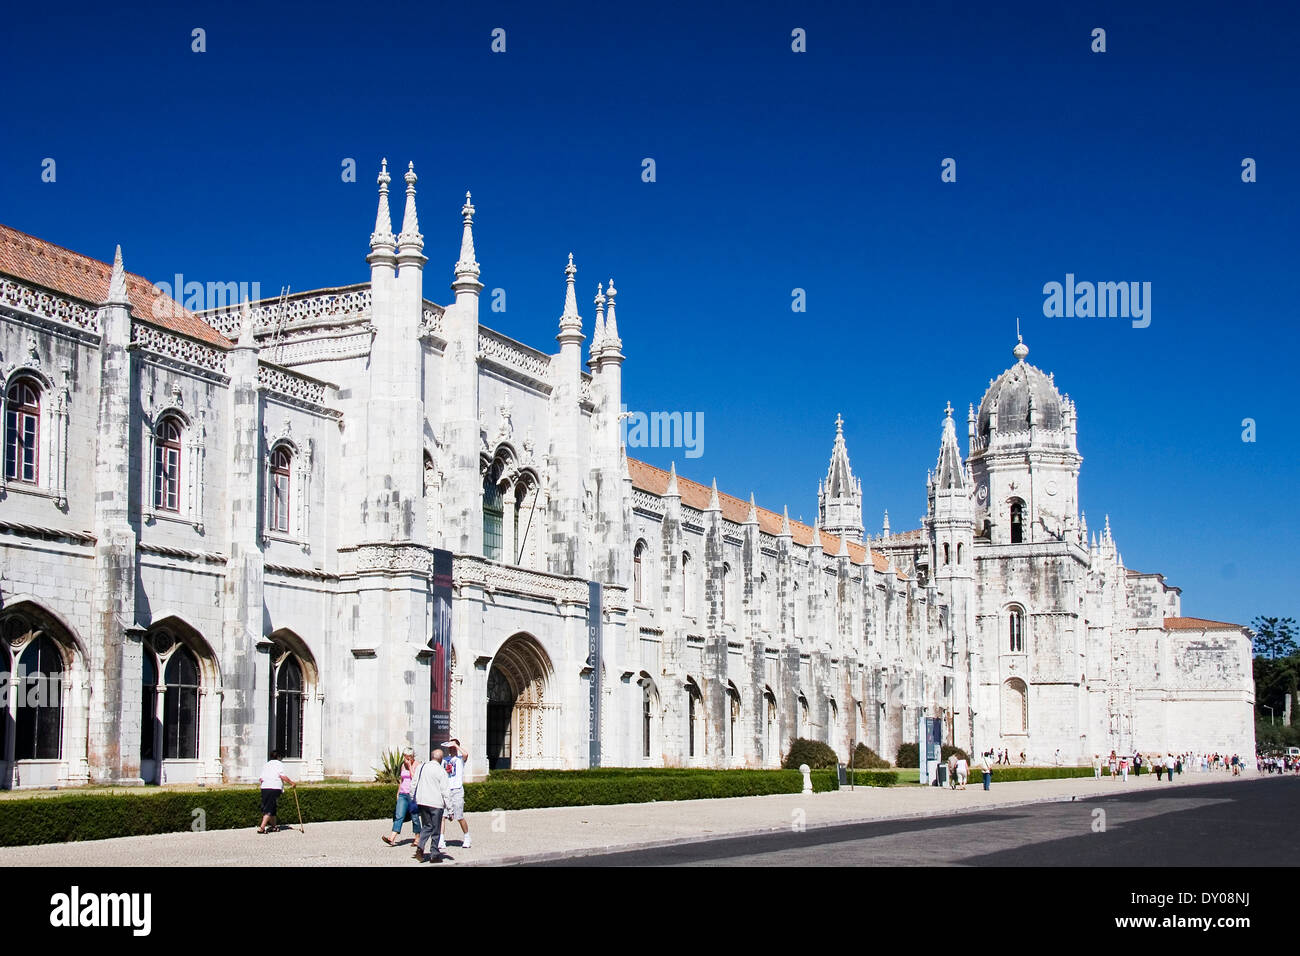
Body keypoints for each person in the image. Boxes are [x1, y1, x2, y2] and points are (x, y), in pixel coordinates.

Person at [412, 747, 453, 863]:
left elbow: (413, 784)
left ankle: (420, 847)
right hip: (436, 804)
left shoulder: (421, 767)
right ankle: (434, 854)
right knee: (435, 829)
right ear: (441, 759)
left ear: (431, 757)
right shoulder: (441, 771)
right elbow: (446, 792)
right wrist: (450, 810)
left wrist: (412, 798)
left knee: (426, 826)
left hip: (422, 801)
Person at [382, 747, 421, 846]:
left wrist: (410, 766)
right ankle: (392, 837)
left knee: (415, 817)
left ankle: (417, 838)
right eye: (404, 757)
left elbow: (414, 778)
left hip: (412, 795)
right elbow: (401, 780)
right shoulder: (403, 766)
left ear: (412, 757)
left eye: (408, 757)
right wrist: (398, 792)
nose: (406, 759)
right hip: (403, 794)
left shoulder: (417, 765)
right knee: (399, 815)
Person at [439, 738, 472, 850]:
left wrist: (456, 746)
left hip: (457, 790)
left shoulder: (460, 759)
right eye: (450, 747)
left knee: (459, 816)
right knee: (442, 816)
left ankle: (467, 837)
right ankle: (441, 840)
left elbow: (466, 754)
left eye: (453, 747)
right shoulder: (444, 760)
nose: (451, 749)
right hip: (446, 791)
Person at [257, 750, 295, 833]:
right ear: (278, 757)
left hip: (264, 787)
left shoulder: (266, 764)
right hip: (274, 787)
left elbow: (261, 778)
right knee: (269, 807)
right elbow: (282, 775)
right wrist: (291, 783)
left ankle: (274, 826)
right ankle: (262, 827)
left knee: (272, 807)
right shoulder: (279, 764)